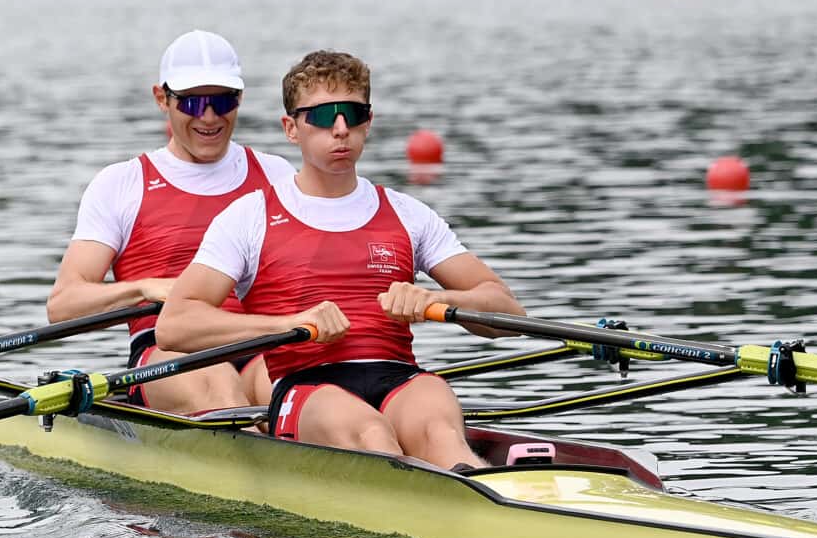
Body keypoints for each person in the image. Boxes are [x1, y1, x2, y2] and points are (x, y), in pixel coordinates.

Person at [155, 49, 525, 470]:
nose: (341, 129)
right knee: (370, 434)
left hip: (398, 377)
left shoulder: (408, 214)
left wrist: (434, 299)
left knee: (441, 431)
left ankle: (481, 493)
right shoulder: (249, 217)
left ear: (369, 122)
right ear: (291, 129)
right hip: (307, 385)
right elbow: (174, 325)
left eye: (353, 113)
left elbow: (507, 311)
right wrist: (286, 325)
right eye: (322, 116)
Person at [47, 29, 297, 414]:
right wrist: (143, 289)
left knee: (293, 387)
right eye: (193, 103)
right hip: (168, 349)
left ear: (240, 98)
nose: (209, 117)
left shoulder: (276, 175)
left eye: (223, 101)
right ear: (161, 99)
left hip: (258, 341)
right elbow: (63, 305)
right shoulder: (122, 184)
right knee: (219, 386)